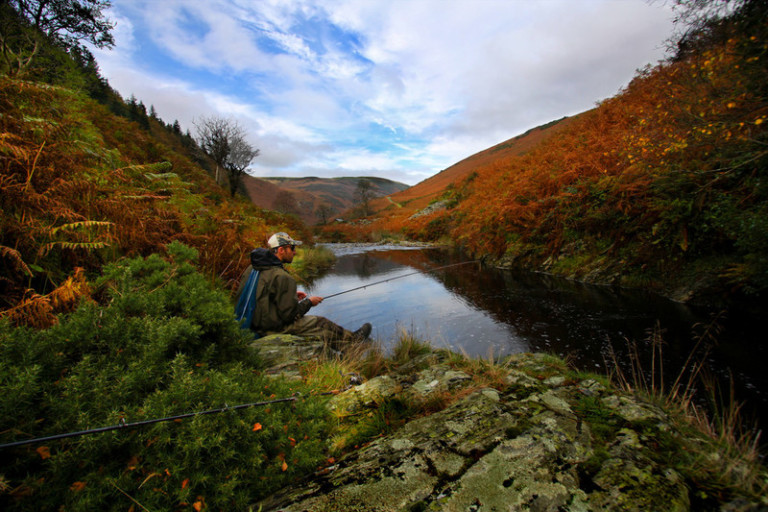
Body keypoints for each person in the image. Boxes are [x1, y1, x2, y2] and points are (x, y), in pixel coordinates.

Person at [236, 232, 372, 343]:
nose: (294, 252)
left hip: (250, 323)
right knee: (320, 323)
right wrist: (309, 303)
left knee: (320, 330)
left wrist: (290, 296)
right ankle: (354, 339)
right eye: (292, 248)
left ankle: (347, 351)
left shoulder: (252, 268)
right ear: (281, 250)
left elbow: (262, 296)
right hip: (269, 329)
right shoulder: (283, 277)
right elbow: (290, 316)